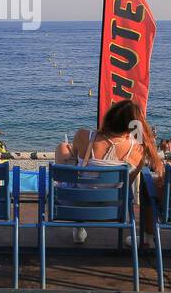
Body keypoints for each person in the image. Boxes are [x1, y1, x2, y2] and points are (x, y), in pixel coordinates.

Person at [55, 100, 164, 248]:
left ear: (109, 117)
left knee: (62, 147)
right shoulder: (138, 152)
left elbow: (73, 159)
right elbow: (127, 185)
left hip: (74, 204)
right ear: (135, 125)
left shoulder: (83, 135)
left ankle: (79, 226)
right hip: (114, 209)